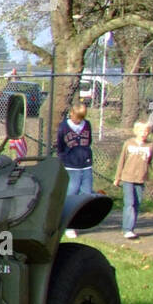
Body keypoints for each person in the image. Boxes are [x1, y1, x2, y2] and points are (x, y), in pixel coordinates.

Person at [113, 120, 153, 239]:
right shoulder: (129, 143)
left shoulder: (151, 145)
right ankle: (127, 229)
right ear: (136, 131)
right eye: (141, 130)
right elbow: (121, 161)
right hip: (127, 178)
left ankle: (131, 227)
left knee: (137, 203)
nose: (144, 133)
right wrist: (117, 177)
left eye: (146, 131)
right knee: (129, 203)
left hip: (141, 179)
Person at [56, 100, 93, 238]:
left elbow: (89, 141)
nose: (79, 121)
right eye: (77, 117)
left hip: (86, 164)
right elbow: (60, 146)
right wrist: (65, 158)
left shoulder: (87, 125)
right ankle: (68, 225)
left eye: (81, 118)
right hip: (71, 166)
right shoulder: (64, 127)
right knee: (72, 192)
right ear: (71, 114)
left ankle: (79, 222)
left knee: (87, 193)